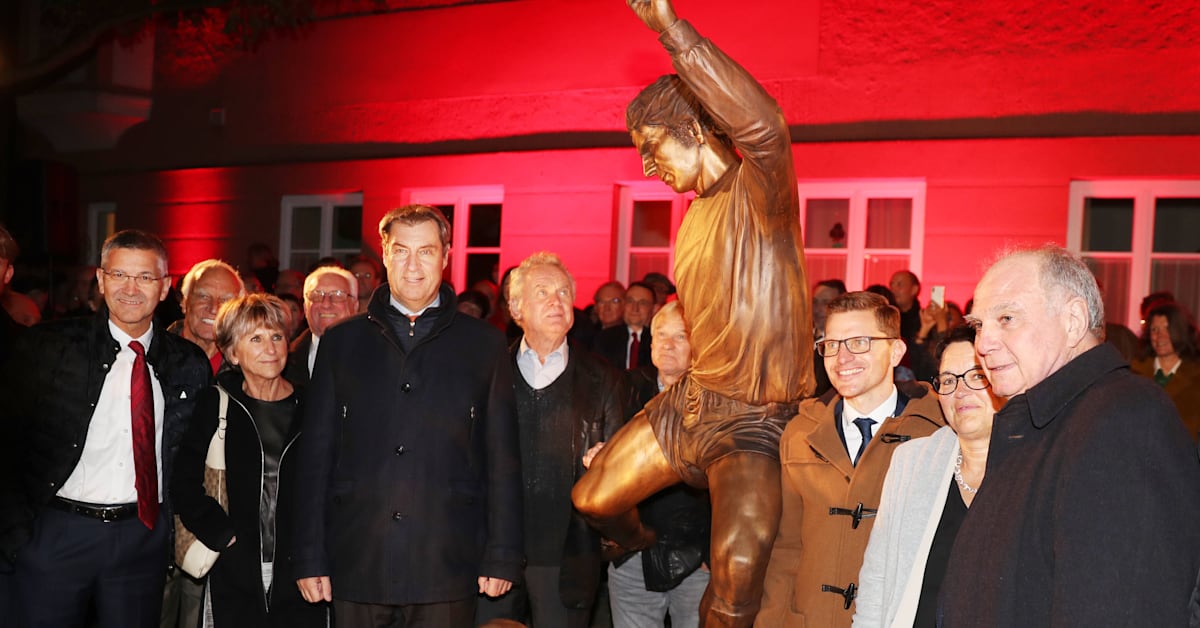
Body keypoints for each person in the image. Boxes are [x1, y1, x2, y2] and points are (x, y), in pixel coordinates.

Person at [572, 1, 814, 624]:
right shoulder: (692, 220)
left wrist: (671, 32)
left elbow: (766, 126)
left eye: (652, 148)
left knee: (735, 573)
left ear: (696, 129)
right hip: (694, 404)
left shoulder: (760, 194)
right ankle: (642, 547)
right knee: (594, 499)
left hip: (755, 421)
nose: (647, 167)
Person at [940, 246, 1200, 625]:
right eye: (979, 325)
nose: (982, 343)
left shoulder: (1122, 419)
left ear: (1074, 320)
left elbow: (1120, 610)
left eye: (1007, 318)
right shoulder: (1042, 420)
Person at [292, 204, 522, 627]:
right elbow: (316, 457)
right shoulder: (341, 343)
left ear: (446, 256)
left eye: (426, 251)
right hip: (358, 558)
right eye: (401, 251)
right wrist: (309, 554)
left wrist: (503, 553)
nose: (413, 265)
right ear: (384, 254)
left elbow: (502, 460)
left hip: (447, 562)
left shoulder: (484, 345)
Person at [0, 229, 211, 628]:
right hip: (55, 536)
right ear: (100, 280)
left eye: (145, 277)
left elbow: (188, 460)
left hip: (142, 540)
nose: (131, 288)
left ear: (165, 287)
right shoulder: (49, 347)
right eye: (119, 275)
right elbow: (7, 445)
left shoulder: (189, 364)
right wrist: (18, 538)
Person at [757, 292, 944, 627]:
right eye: (830, 344)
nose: (841, 357)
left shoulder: (936, 435)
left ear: (896, 351)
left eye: (859, 342)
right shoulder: (800, 433)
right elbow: (787, 549)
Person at [477, 252, 627, 628]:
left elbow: (621, 468)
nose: (556, 301)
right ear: (516, 307)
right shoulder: (486, 374)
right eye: (542, 292)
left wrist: (607, 464)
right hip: (495, 554)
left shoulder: (603, 379)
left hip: (568, 555)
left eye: (563, 292)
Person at [172, 294, 329, 627]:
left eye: (276, 336)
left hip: (299, 572)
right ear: (232, 352)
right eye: (255, 339)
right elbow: (183, 482)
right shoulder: (216, 404)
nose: (270, 348)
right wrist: (223, 536)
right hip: (235, 572)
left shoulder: (312, 407)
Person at [852, 325, 1003, 628]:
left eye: (977, 376)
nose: (960, 392)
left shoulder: (1032, 469)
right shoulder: (913, 461)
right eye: (948, 380)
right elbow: (877, 579)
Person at [597, 302, 711, 628]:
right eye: (660, 335)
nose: (667, 344)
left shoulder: (716, 401)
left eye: (680, 336)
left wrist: (710, 554)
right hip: (633, 554)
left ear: (698, 345)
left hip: (696, 557)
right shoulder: (624, 387)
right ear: (649, 342)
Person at [1130, 301, 1200, 441]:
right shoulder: (1133, 372)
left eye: (1167, 329)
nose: (1160, 336)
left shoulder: (1196, 377)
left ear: (1180, 331)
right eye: (1154, 329)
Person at [284, 266, 358, 386]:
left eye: (338, 295)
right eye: (316, 295)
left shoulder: (376, 355)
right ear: (305, 308)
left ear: (355, 306)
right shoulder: (284, 360)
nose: (326, 304)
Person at [170, 260, 246, 375]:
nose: (214, 308)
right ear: (184, 302)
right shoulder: (153, 357)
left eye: (225, 300)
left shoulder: (249, 369)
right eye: (203, 296)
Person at [592, 282, 656, 369]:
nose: (635, 308)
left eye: (642, 303)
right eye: (630, 301)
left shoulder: (658, 340)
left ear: (653, 308)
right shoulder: (604, 339)